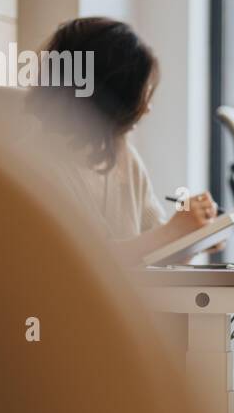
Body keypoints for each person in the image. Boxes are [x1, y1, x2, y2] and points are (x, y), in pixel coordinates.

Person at [26, 17, 220, 266]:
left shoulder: (121, 153)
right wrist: (173, 232)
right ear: (109, 95)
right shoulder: (35, 165)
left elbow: (157, 255)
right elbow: (83, 266)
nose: (146, 108)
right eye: (139, 95)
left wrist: (193, 238)